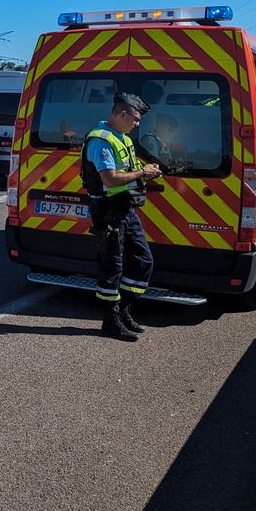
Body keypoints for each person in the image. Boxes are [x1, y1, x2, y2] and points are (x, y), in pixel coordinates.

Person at [81, 93, 163, 341]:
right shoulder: (101, 141)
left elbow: (125, 171)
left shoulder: (122, 138)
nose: (137, 124)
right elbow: (110, 179)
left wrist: (148, 171)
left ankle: (124, 311)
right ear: (121, 114)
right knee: (112, 266)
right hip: (108, 211)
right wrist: (142, 173)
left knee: (142, 260)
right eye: (135, 119)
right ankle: (111, 321)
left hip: (125, 208)